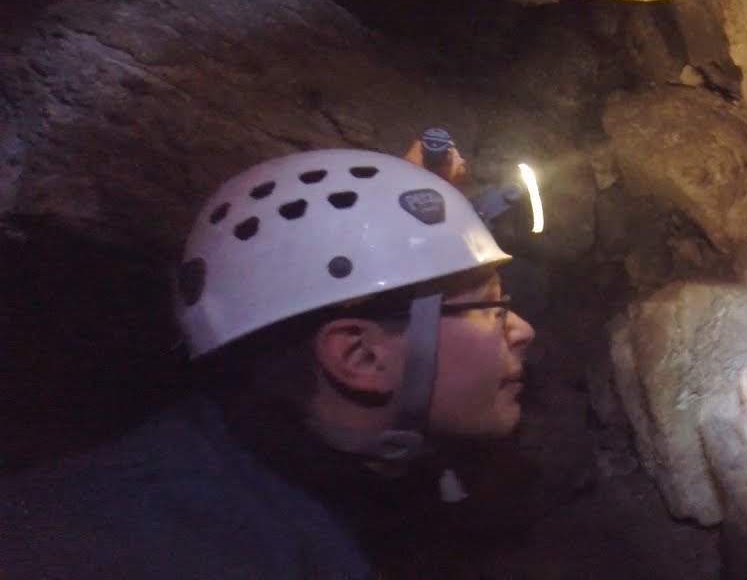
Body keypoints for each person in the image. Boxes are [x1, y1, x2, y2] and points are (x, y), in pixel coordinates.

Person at [0, 149, 536, 579]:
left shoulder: (289, 462)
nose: (523, 330)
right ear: (361, 356)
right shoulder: (142, 547)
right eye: (493, 307)